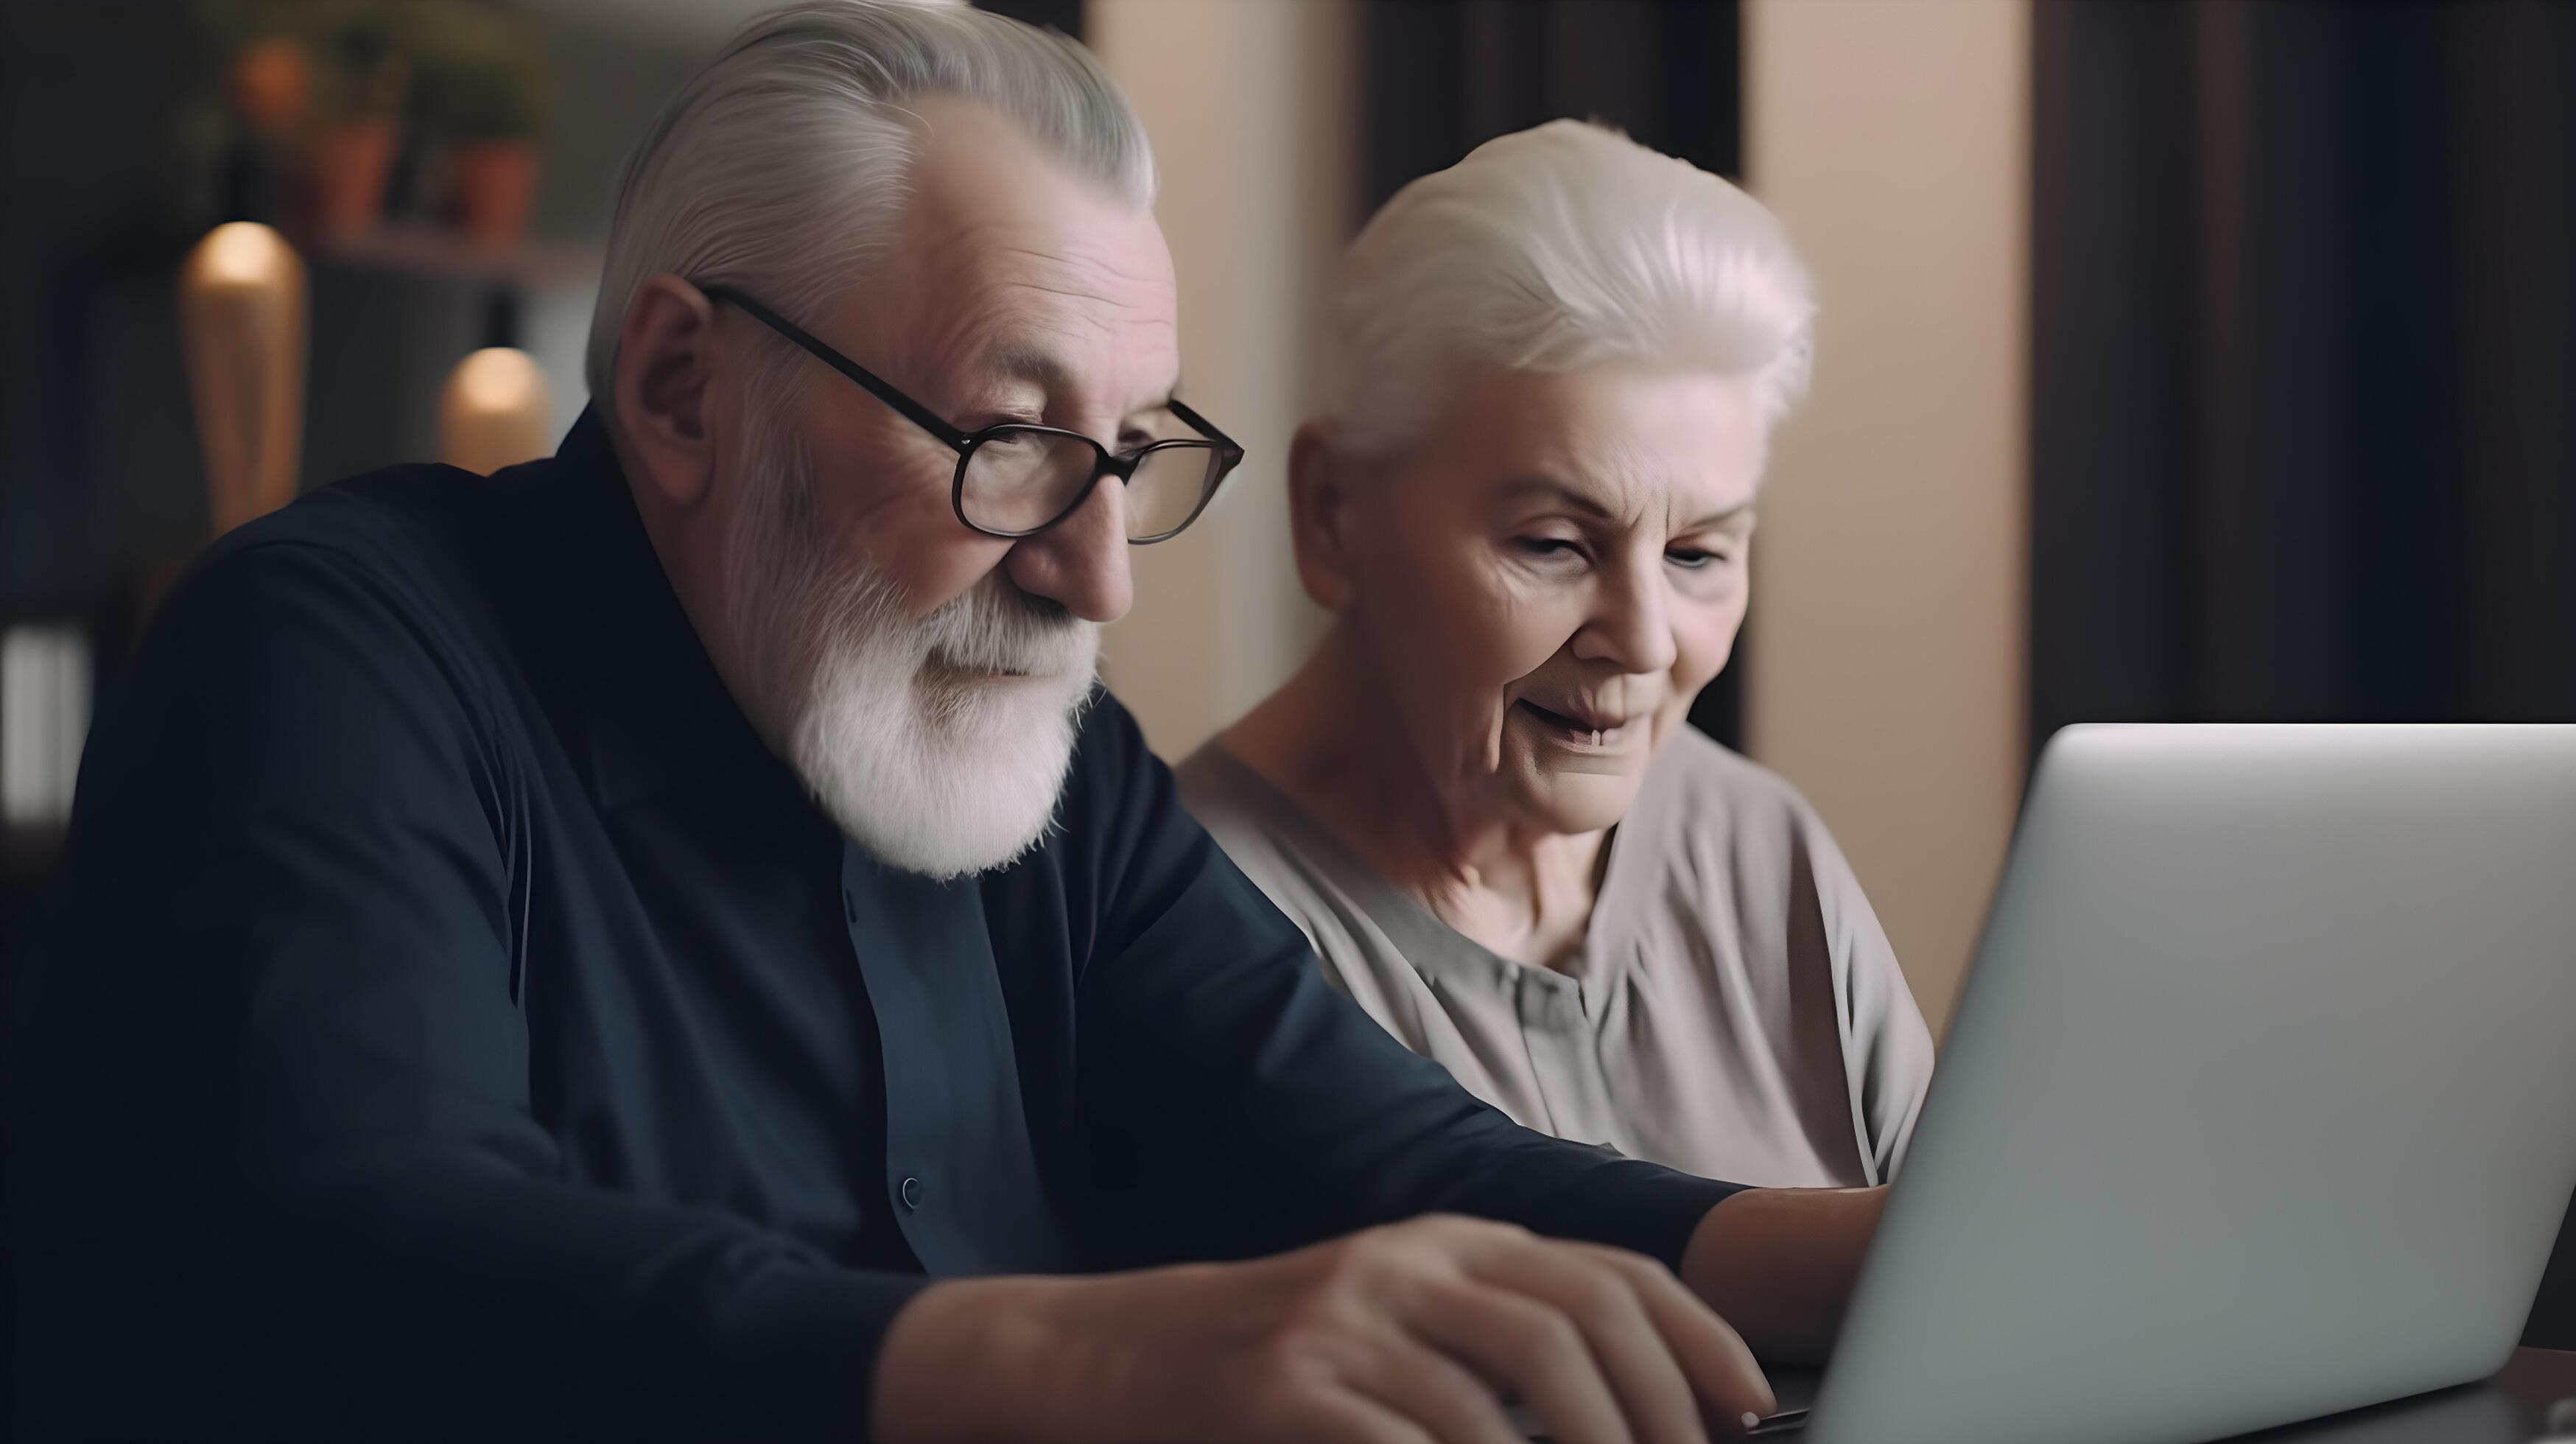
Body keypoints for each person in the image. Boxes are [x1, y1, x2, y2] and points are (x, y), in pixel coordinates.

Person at [10, 9, 1878, 1442]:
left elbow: (1405, 1160)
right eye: (1010, 441)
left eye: (1126, 457)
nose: (1095, 576)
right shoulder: (335, 649)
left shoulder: (1046, 767)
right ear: (679, 384)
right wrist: (1086, 1351)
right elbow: (376, 1248)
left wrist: (1904, 1258)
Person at [1178, 122, 1934, 1191]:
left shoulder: (1760, 850)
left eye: (1697, 554)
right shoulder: (1174, 923)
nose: (1640, 638)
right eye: (1552, 544)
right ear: (1333, 516)